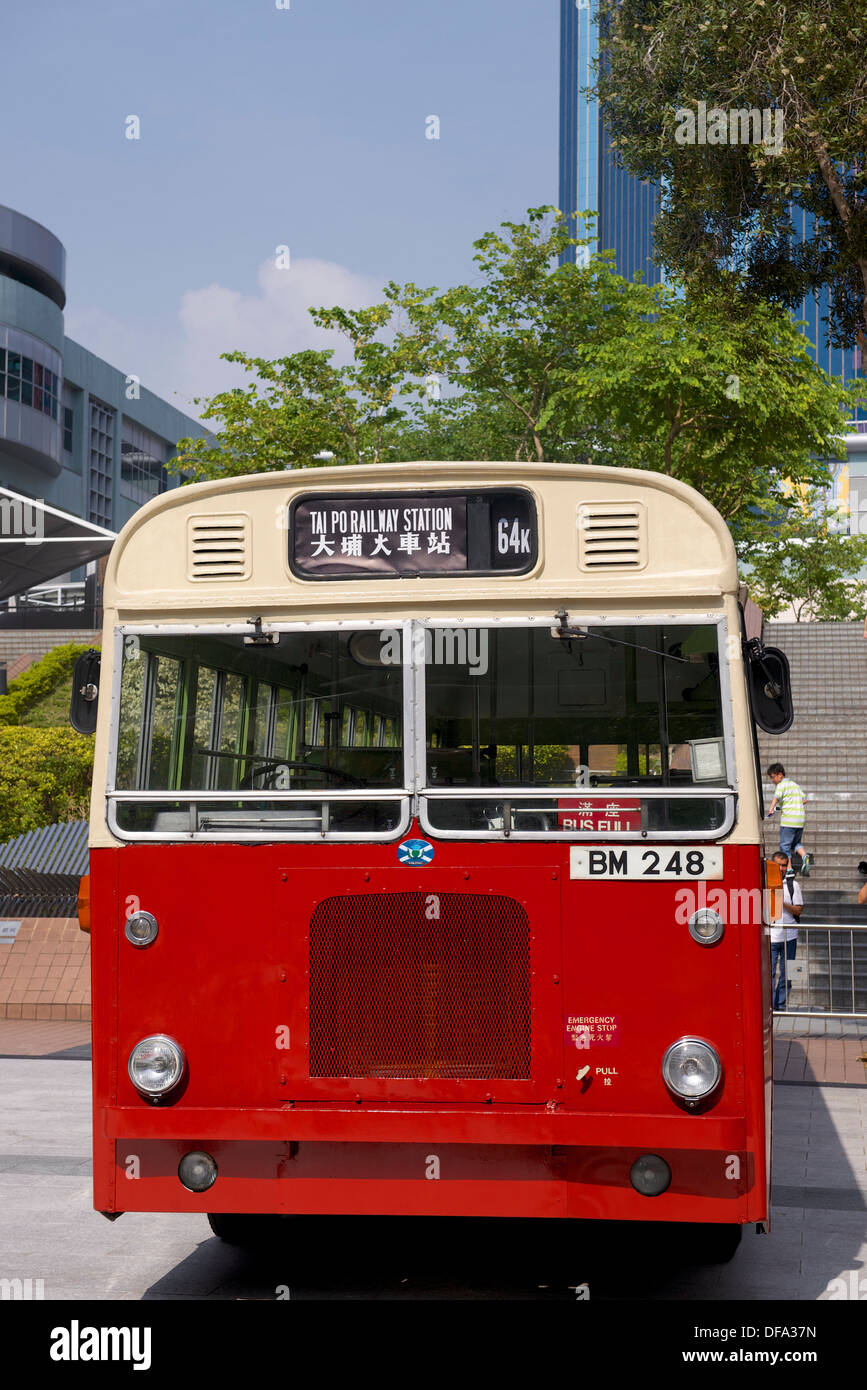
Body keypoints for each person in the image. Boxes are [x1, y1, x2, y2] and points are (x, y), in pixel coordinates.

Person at [770, 850, 802, 1010]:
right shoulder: (762, 883)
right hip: (769, 937)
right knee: (767, 974)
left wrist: (782, 902)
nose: (781, 869)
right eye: (778, 865)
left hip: (790, 937)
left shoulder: (793, 885)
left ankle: (780, 1005)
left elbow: (798, 910)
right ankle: (769, 1006)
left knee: (789, 974)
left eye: (783, 865)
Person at [766, 763, 810, 876]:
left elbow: (776, 797)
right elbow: (804, 800)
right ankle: (804, 855)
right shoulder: (795, 785)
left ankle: (789, 869)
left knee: (784, 846)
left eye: (772, 777)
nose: (772, 780)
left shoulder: (781, 785)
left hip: (788, 821)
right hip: (799, 820)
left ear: (780, 775)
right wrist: (790, 804)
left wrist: (771, 808)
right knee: (796, 843)